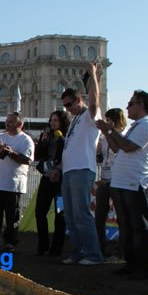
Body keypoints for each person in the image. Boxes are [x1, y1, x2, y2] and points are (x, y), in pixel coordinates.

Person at [100, 90, 148, 280]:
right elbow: (117, 148)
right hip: (124, 182)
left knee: (139, 226)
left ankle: (144, 266)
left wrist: (109, 130)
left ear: (141, 105)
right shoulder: (135, 127)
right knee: (127, 225)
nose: (127, 107)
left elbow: (127, 147)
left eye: (131, 103)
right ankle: (131, 263)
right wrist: (108, 133)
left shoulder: (147, 125)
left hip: (136, 182)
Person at [59, 61, 104, 265]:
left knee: (81, 214)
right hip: (70, 171)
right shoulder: (76, 120)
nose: (67, 109)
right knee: (70, 215)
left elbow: (95, 101)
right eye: (65, 106)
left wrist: (93, 75)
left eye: (69, 105)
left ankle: (93, 254)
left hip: (82, 170)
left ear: (79, 100)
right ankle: (78, 251)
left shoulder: (88, 115)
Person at [0, 112, 34, 250]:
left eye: (11, 121)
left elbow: (27, 160)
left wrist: (11, 153)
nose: (7, 123)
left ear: (20, 124)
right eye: (7, 121)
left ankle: (10, 242)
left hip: (14, 185)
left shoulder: (26, 140)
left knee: (13, 218)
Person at [34, 110, 67, 256]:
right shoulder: (46, 135)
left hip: (61, 182)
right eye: (51, 120)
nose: (53, 123)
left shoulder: (65, 138)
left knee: (60, 214)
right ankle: (43, 246)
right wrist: (43, 142)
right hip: (47, 179)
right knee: (40, 211)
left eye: (56, 120)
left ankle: (56, 248)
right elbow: (38, 154)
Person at [95, 109, 125, 258]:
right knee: (100, 214)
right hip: (105, 178)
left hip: (117, 179)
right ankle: (100, 247)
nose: (106, 123)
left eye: (109, 120)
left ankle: (121, 249)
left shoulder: (122, 136)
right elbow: (99, 154)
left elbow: (118, 150)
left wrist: (108, 132)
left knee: (121, 215)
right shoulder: (104, 137)